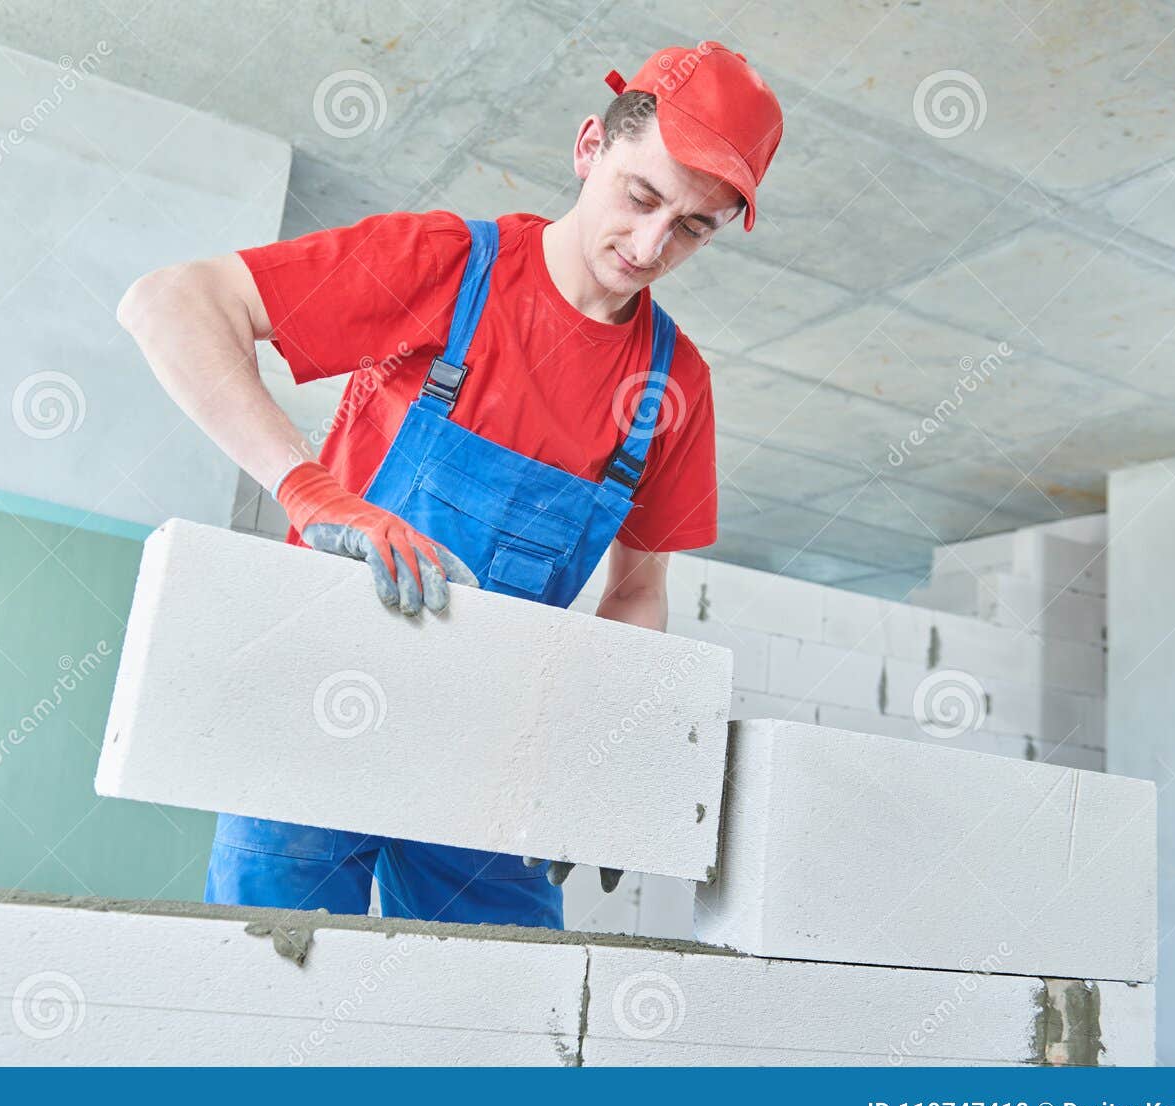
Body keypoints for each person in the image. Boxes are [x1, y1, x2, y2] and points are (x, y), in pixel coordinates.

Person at [117, 40, 783, 930]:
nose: (653, 244)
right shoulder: (447, 264)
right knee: (273, 1009)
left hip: (488, 761)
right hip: (314, 718)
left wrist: (601, 747)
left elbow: (637, 589)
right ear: (590, 148)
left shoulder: (673, 386)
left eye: (694, 227)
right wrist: (308, 488)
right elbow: (169, 303)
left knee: (495, 1026)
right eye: (642, 196)